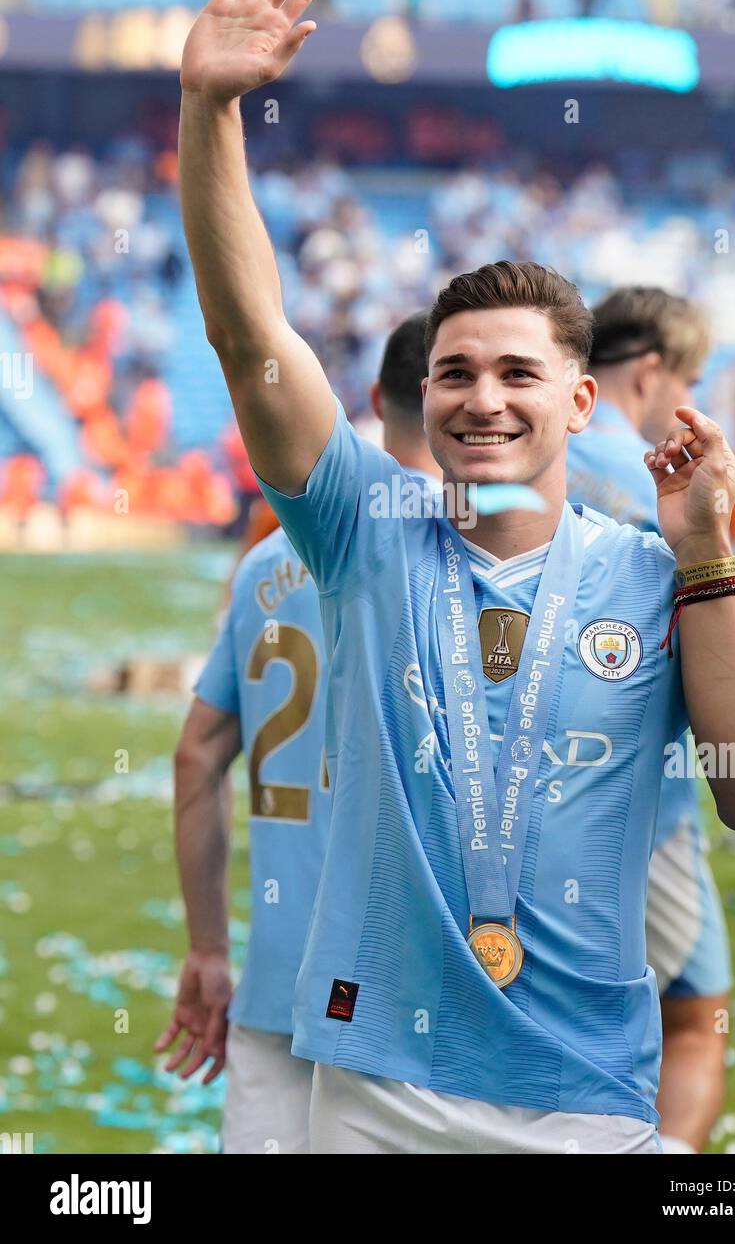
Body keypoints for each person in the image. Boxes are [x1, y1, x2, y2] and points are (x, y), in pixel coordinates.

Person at [177, 0, 735, 1154]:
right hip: (376, 1092)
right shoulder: (367, 529)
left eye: (519, 372)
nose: (482, 398)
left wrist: (708, 557)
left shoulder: (658, 571)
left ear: (580, 403)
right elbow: (246, 333)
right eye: (457, 373)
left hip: (589, 1097)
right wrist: (211, 112)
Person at [155, 315, 440, 1153]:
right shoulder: (469, 552)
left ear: (374, 402)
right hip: (419, 992)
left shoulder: (260, 565)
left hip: (281, 981)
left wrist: (209, 947)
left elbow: (194, 753)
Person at [567, 286, 729, 1154]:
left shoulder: (517, 462)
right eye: (694, 378)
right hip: (647, 801)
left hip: (506, 796)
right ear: (653, 370)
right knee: (696, 1020)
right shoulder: (654, 478)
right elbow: (734, 629)